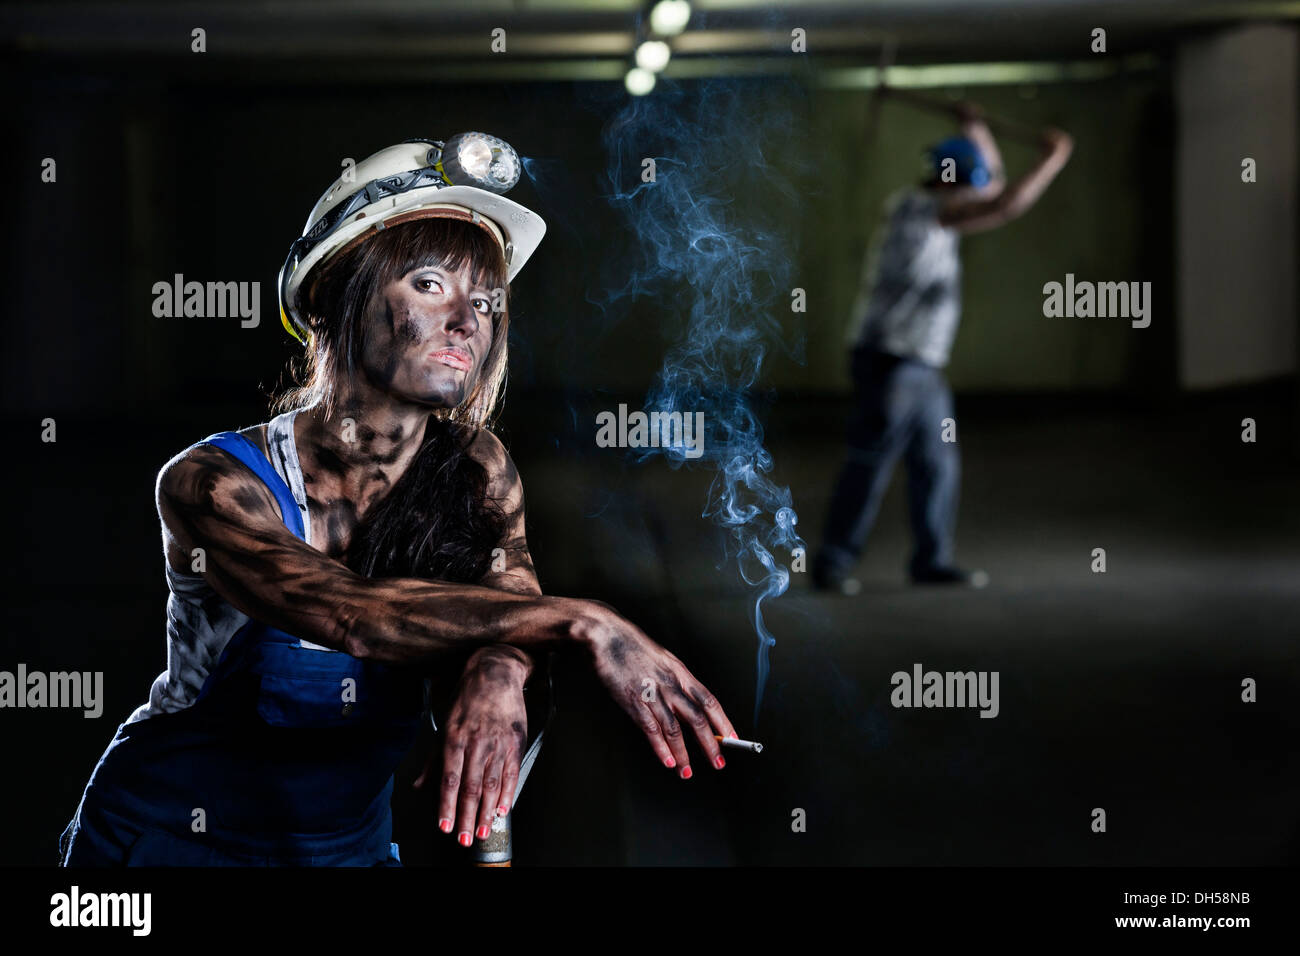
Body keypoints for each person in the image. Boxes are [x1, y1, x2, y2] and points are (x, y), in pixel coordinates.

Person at [59, 134, 737, 866]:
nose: (467, 320)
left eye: (485, 300)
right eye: (428, 284)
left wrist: (497, 668)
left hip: (346, 852)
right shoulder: (213, 482)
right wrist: (589, 622)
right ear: (334, 296)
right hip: (164, 846)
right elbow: (351, 615)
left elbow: (511, 604)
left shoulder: (479, 467)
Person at [813, 103, 1073, 594]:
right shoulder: (928, 213)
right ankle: (832, 563)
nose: (982, 187)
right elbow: (1003, 203)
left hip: (921, 365)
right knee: (871, 460)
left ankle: (930, 560)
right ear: (955, 183)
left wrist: (974, 127)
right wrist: (1051, 161)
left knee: (936, 464)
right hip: (892, 359)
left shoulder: (932, 200)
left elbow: (990, 184)